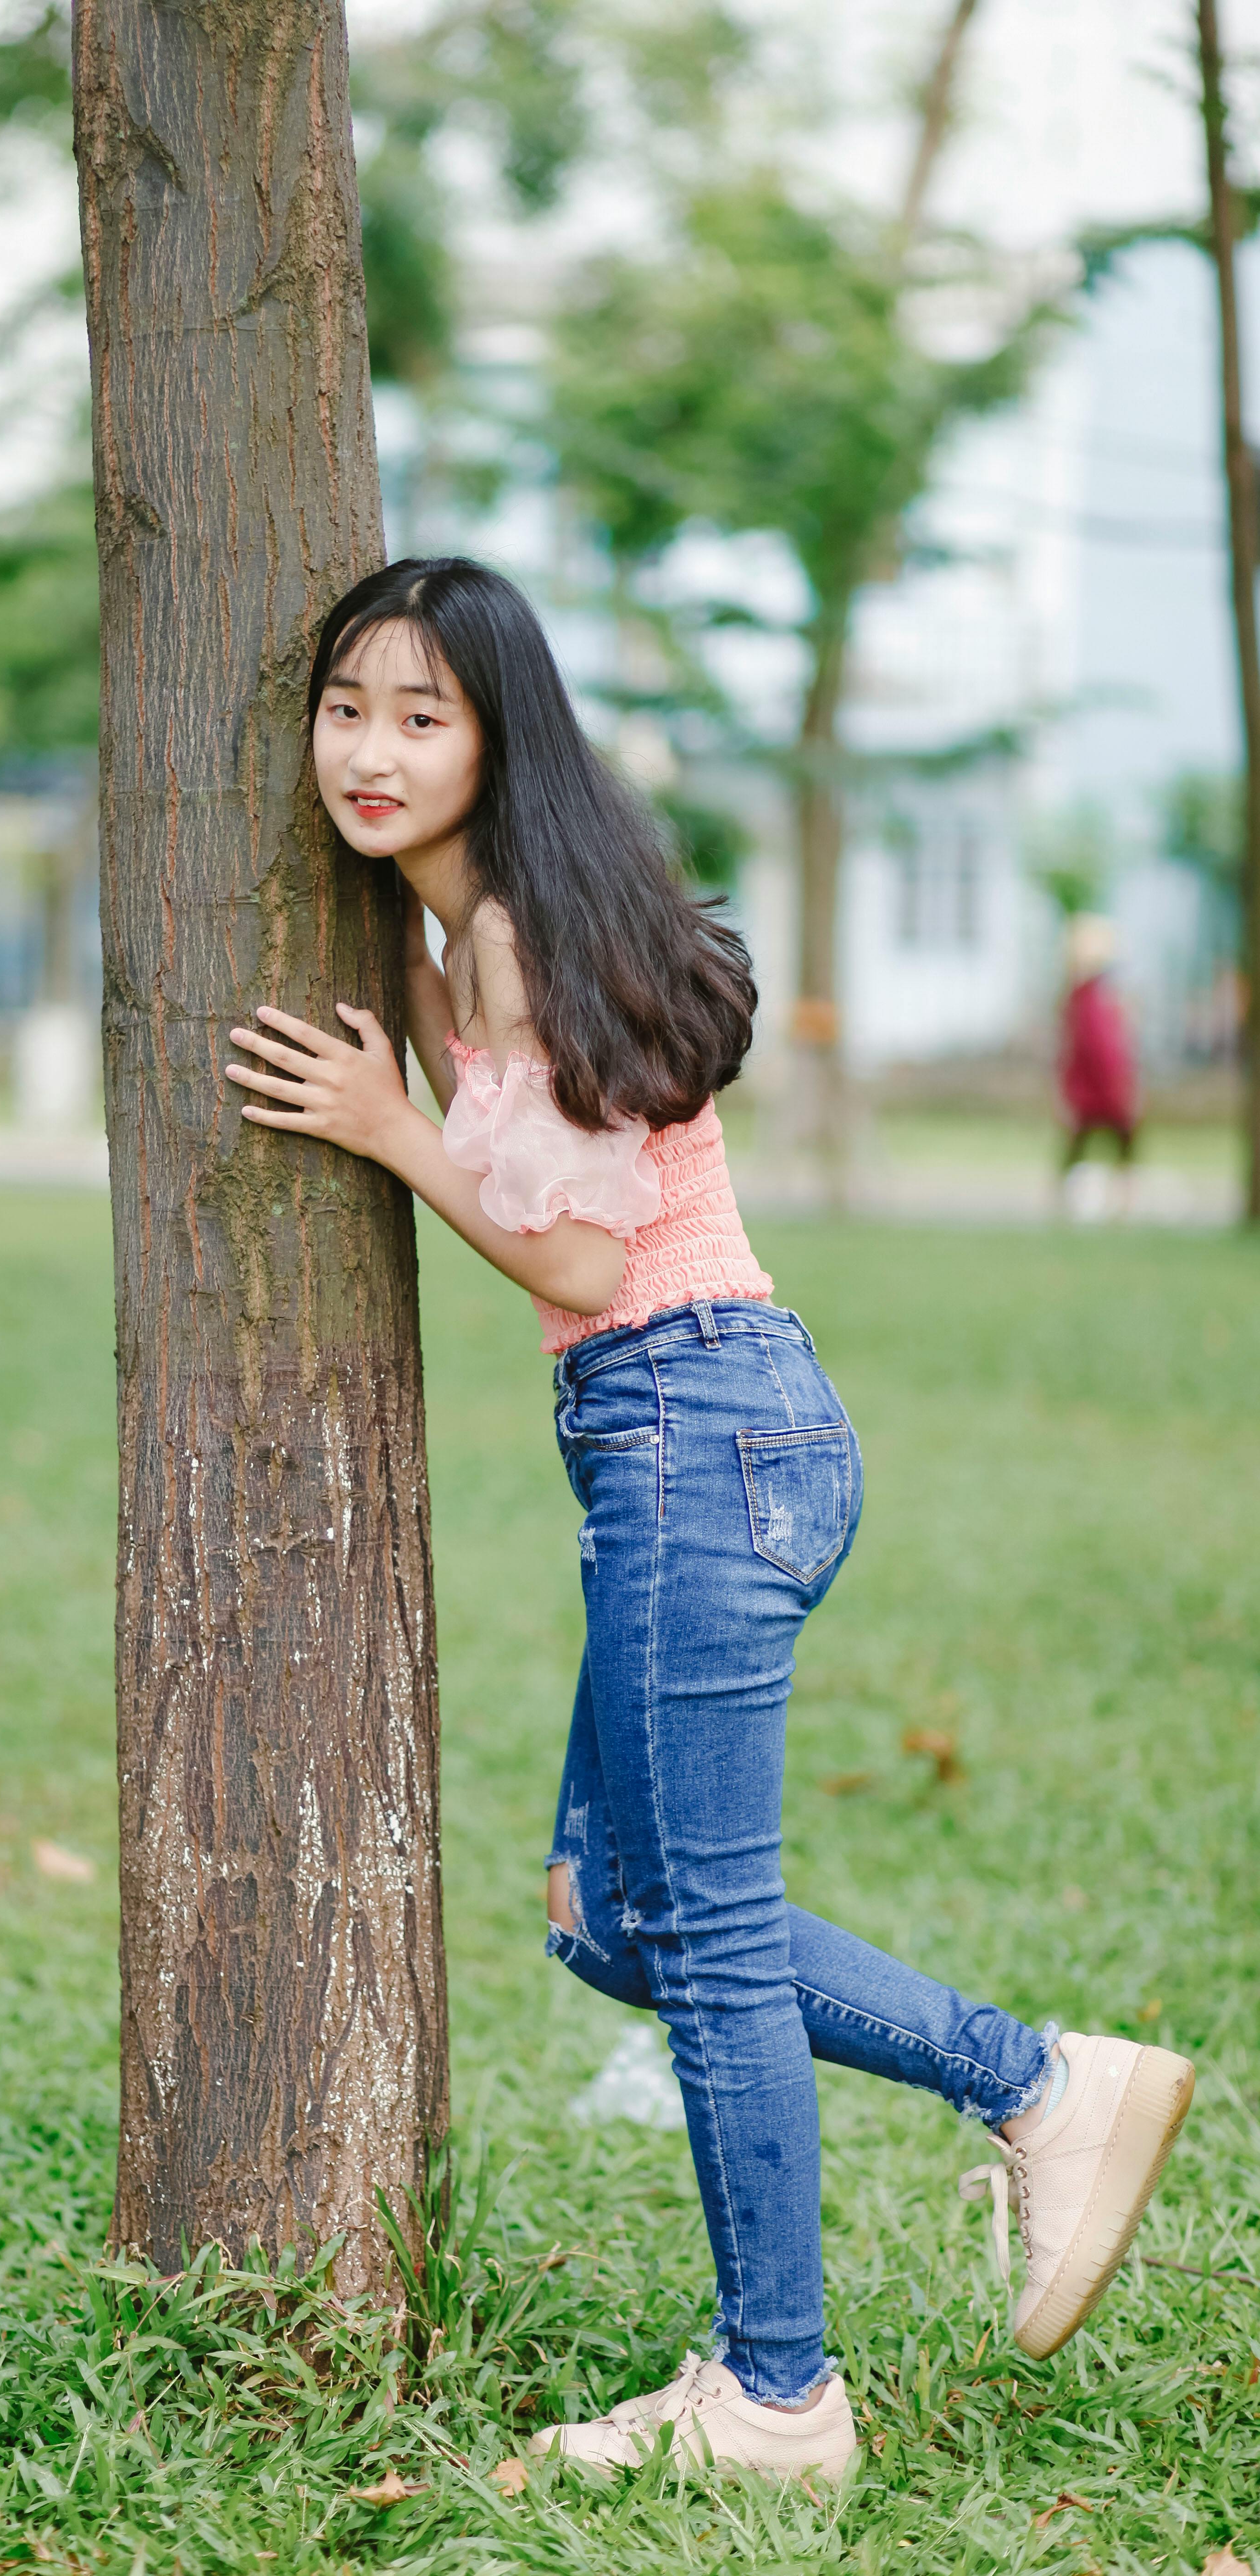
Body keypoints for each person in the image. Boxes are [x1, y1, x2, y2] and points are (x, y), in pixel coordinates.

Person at [226, 557, 1193, 2484]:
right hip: (685, 1435)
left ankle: (778, 2393)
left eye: (421, 714)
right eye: (345, 708)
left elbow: (587, 1262)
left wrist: (389, 1128)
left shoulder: (517, 936)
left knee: (711, 1933)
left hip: (695, 1420)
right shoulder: (469, 927)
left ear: (499, 734)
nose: (369, 749)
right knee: (608, 1916)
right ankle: (1041, 2085)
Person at [1058, 914, 1139, 1216]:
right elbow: (1102, 1052)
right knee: (1118, 1144)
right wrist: (1120, 1090)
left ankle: (1114, 1199)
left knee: (1081, 1147)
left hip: (1087, 1091)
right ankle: (1122, 1200)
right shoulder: (1092, 1001)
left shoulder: (1081, 1000)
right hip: (1100, 1092)